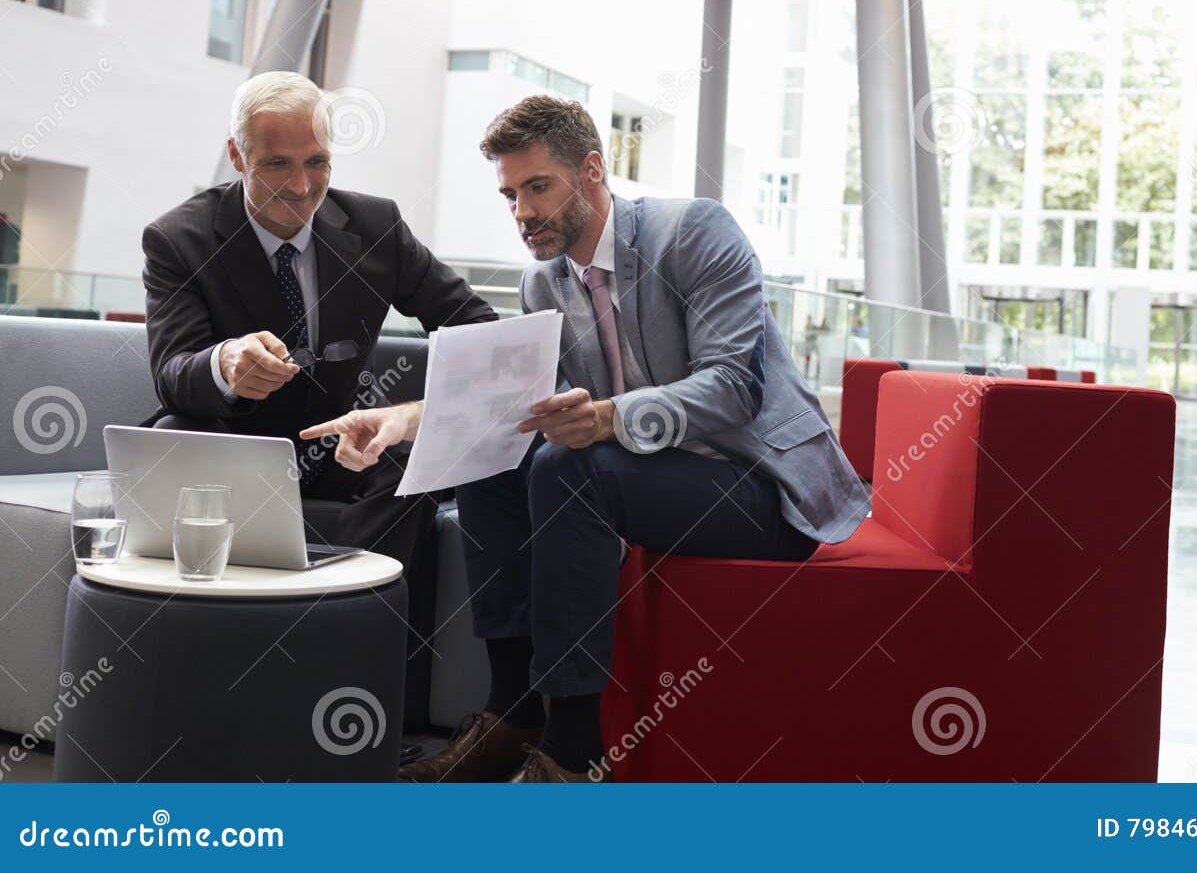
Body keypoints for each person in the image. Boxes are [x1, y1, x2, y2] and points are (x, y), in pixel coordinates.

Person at [303, 94, 869, 782]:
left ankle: (573, 753)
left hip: (759, 484)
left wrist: (605, 417)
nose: (523, 212)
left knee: (567, 468)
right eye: (511, 194)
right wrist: (401, 418)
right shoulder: (544, 281)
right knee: (494, 455)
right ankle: (513, 713)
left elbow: (731, 389)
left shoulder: (692, 232)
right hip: (653, 477)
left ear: (592, 170)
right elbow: (516, 403)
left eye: (538, 187)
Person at [140, 71, 497, 727]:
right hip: (234, 442)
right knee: (174, 431)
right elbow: (172, 371)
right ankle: (206, 689)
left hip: (334, 442)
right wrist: (224, 363)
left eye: (317, 162)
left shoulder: (376, 226)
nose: (302, 186)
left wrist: (411, 415)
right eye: (278, 163)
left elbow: (476, 329)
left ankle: (343, 655)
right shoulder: (179, 238)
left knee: (411, 462)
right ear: (238, 155)